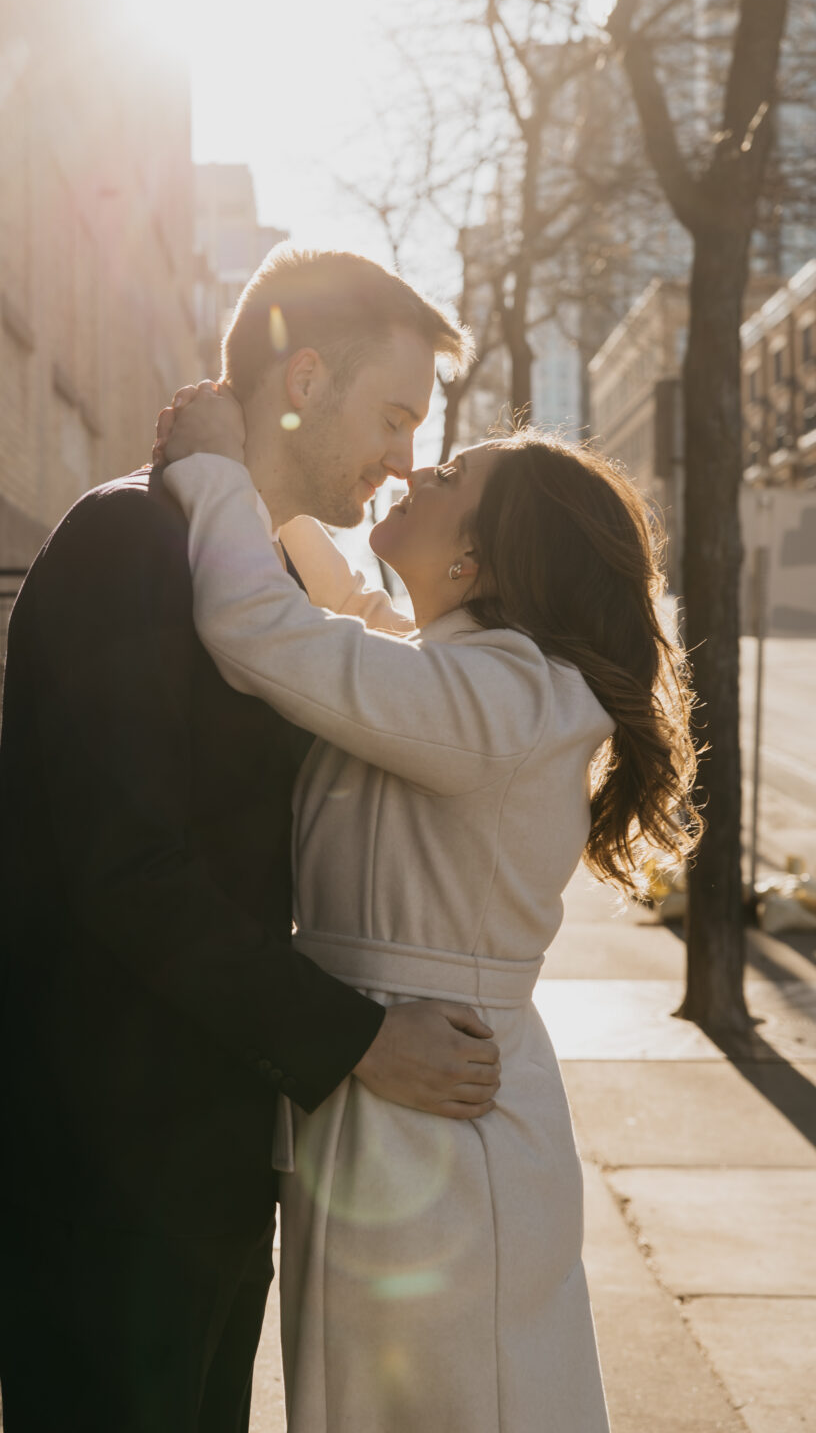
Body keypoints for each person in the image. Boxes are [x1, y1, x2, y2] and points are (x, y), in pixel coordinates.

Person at [0, 248, 503, 1432]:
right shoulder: (126, 542)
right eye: (394, 418)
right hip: (101, 1164)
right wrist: (358, 1043)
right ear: (301, 376)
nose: (402, 462)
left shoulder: (267, 578)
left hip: (216, 1159)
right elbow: (127, 872)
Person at [158, 385, 700, 1433]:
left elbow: (263, 634)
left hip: (444, 1119)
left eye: (449, 478)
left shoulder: (505, 700)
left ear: (477, 563)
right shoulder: (470, 678)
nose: (412, 470)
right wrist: (284, 503)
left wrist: (214, 471)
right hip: (394, 1095)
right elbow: (356, 631)